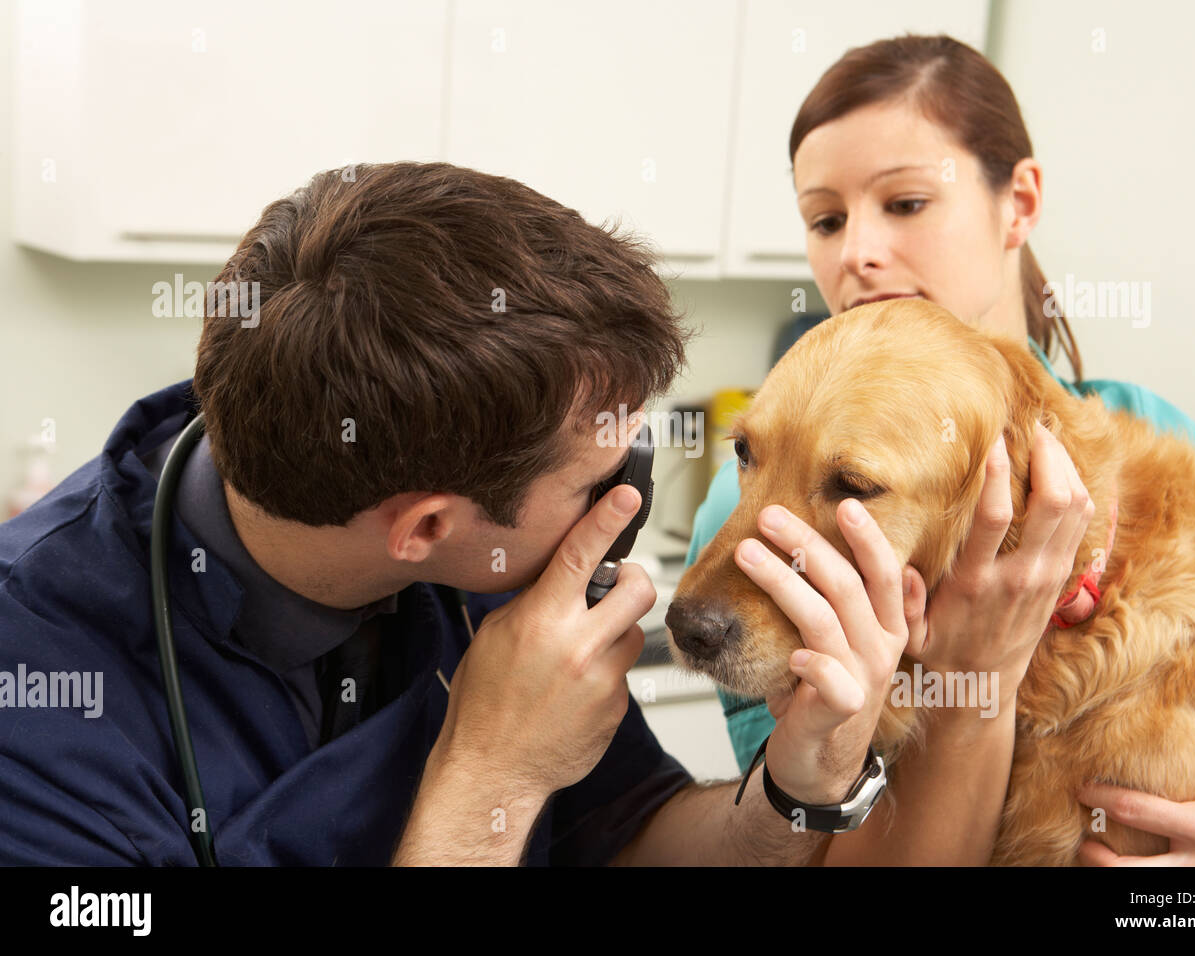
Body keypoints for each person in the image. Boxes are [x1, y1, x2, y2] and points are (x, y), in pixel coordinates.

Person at [0, 162, 911, 865]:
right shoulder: (39, 705)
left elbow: (636, 840)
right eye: (599, 475)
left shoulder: (488, 563)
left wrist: (803, 777)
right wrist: (492, 774)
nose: (625, 500)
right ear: (429, 527)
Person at [685, 35, 1195, 866]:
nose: (856, 251)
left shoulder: (1150, 433)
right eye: (825, 219)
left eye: (905, 204)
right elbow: (807, 847)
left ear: (1019, 202)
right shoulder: (743, 504)